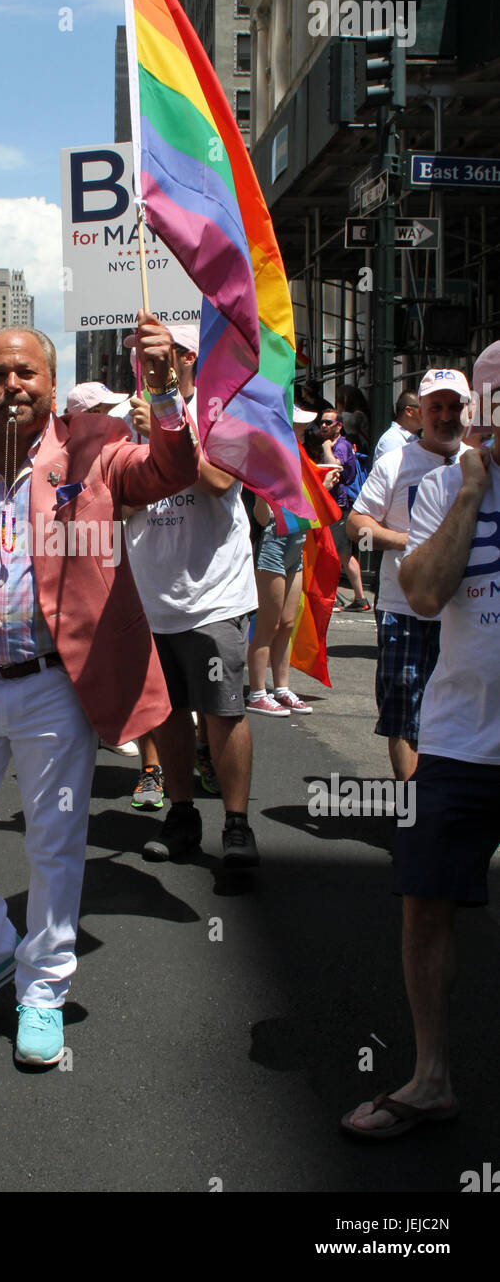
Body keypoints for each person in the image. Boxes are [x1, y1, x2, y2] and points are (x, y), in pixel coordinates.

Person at [0, 318, 200, 1066]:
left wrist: (164, 390)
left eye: (27, 373)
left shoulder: (91, 448)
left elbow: (171, 471)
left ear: (51, 387)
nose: (12, 384)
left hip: (56, 687)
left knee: (56, 844)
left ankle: (44, 989)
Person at [341, 343, 500, 1141]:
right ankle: (431, 1075)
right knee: (424, 902)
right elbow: (428, 594)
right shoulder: (442, 485)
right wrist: (471, 492)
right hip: (462, 738)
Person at [120, 324, 260, 869]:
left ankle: (237, 824)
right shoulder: (127, 417)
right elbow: (117, 499)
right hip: (153, 592)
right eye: (141, 356)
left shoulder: (223, 409)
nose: (147, 364)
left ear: (185, 358)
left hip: (212, 595)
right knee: (168, 712)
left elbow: (221, 481)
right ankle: (182, 815)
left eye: (158, 355)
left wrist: (168, 424)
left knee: (222, 711)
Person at [347, 369, 470, 783]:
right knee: (404, 712)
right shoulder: (396, 463)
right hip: (404, 610)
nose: (446, 415)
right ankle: (412, 808)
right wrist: (408, 540)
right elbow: (357, 526)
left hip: (467, 611)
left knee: (462, 713)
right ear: (420, 413)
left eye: (455, 406)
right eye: (437, 407)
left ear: (469, 411)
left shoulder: (481, 464)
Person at [245, 407, 330, 717]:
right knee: (268, 624)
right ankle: (257, 692)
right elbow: (260, 516)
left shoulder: (301, 461)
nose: (302, 431)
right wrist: (265, 493)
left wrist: (324, 487)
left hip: (295, 542)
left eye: (303, 426)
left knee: (288, 622)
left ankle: (281, 688)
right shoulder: (266, 461)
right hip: (272, 544)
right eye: (297, 425)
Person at [317, 408, 371, 610]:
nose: (323, 425)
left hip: (339, 506)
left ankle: (349, 598)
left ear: (339, 426)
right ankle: (359, 598)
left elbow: (335, 466)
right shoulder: (336, 444)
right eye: (322, 422)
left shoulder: (342, 445)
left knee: (337, 554)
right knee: (342, 554)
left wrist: (325, 447)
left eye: (328, 423)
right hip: (334, 505)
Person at [373, 390, 421, 465]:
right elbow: (391, 474)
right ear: (409, 411)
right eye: (423, 408)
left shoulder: (414, 438)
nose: (426, 412)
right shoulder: (391, 441)